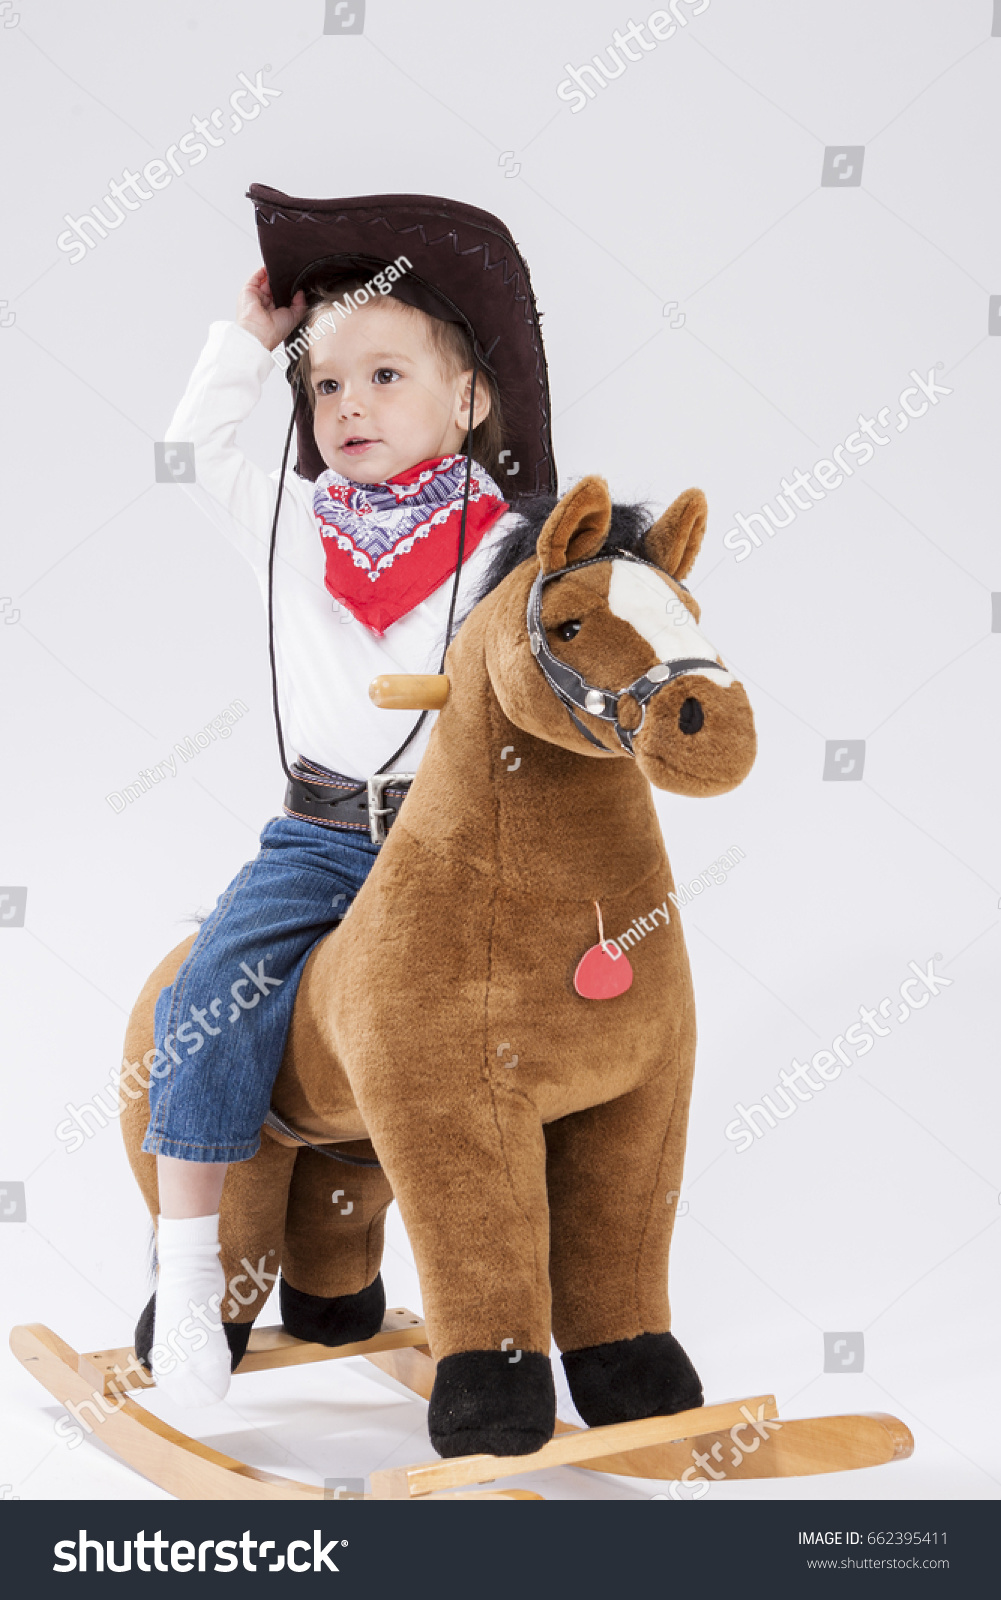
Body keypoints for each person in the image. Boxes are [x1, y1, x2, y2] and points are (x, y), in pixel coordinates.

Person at [141, 193, 557, 1405]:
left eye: (384, 375)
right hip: (320, 836)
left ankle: (520, 1303)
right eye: (325, 387)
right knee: (211, 992)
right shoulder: (296, 519)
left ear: (467, 400)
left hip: (452, 841)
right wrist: (253, 336)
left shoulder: (511, 540)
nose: (349, 406)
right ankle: (187, 1272)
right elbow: (196, 446)